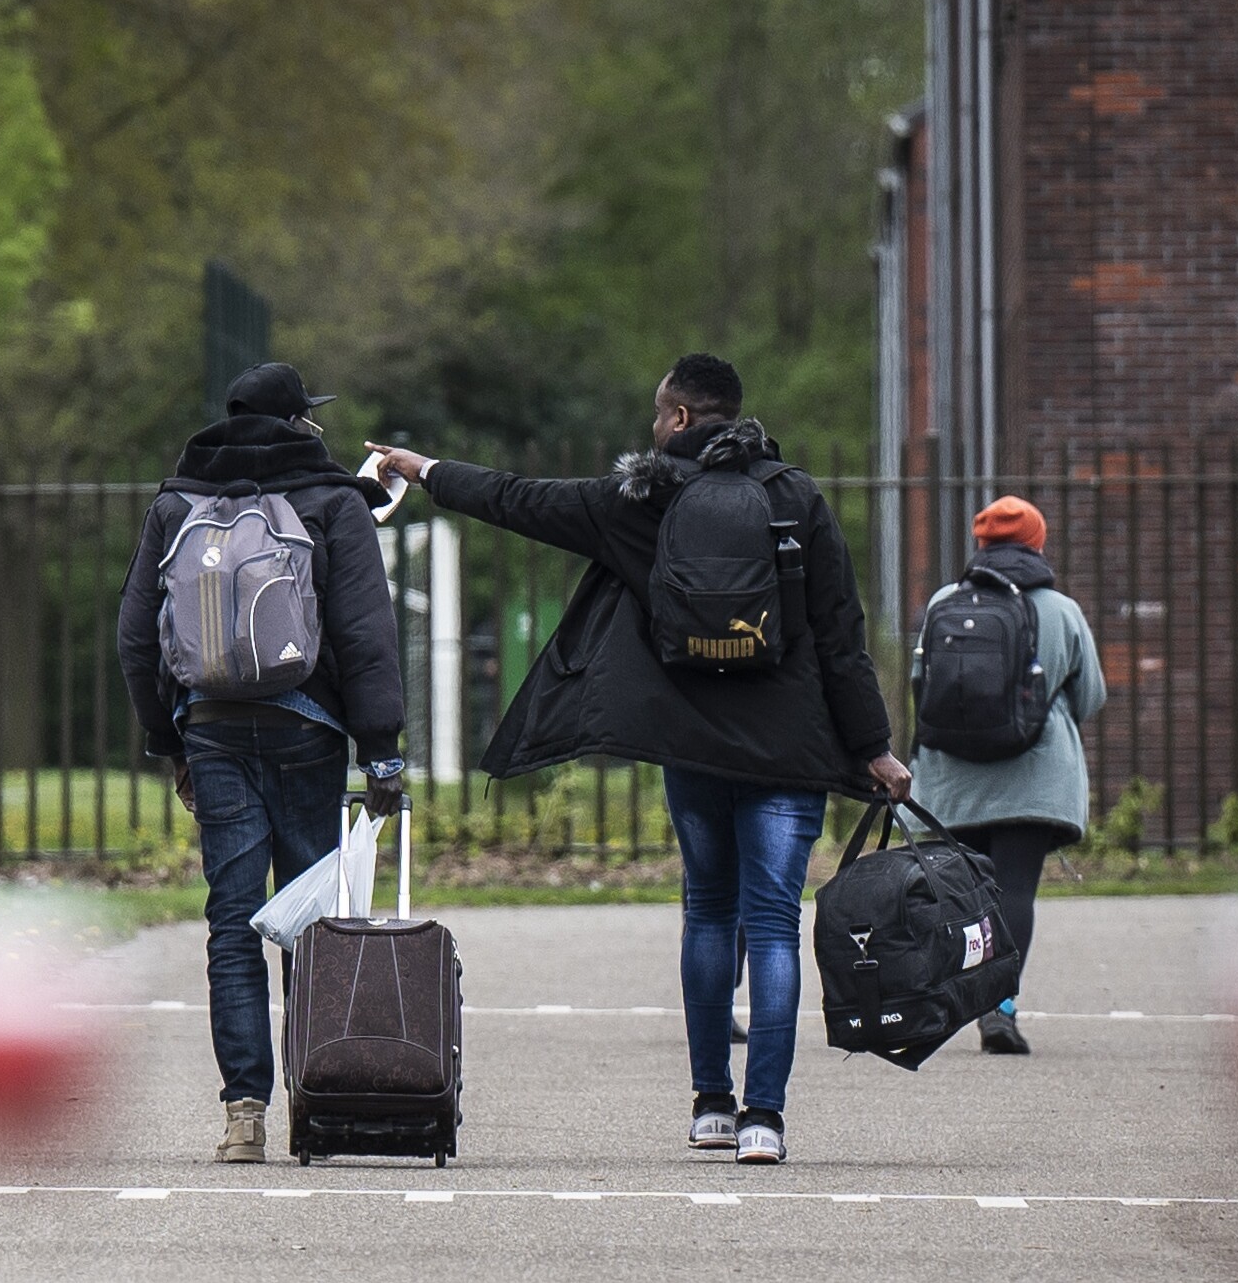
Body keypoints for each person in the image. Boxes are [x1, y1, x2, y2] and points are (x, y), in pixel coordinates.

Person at [369, 353, 908, 1167]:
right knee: (771, 924)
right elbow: (840, 635)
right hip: (788, 747)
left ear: (683, 418)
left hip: (688, 740)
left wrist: (428, 469)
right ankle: (765, 1117)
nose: (652, 428)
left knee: (707, 912)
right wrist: (872, 746)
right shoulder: (795, 499)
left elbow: (519, 499)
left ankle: (711, 1105)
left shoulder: (640, 499)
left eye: (659, 415)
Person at [119, 362, 408, 1163]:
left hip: (211, 727)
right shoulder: (329, 501)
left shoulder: (178, 501)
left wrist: (167, 738)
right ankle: (317, 1102)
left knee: (231, 919)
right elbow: (363, 633)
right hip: (306, 727)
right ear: (297, 423)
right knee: (310, 920)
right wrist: (380, 749)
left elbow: (136, 634)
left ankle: (242, 1109)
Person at [906, 496, 1105, 1055]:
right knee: (1015, 888)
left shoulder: (945, 601)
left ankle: (952, 1000)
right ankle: (1000, 1008)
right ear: (1037, 544)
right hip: (1034, 779)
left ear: (981, 545)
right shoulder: (1060, 610)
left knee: (967, 896)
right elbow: (1090, 696)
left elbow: (922, 686)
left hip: (954, 779)